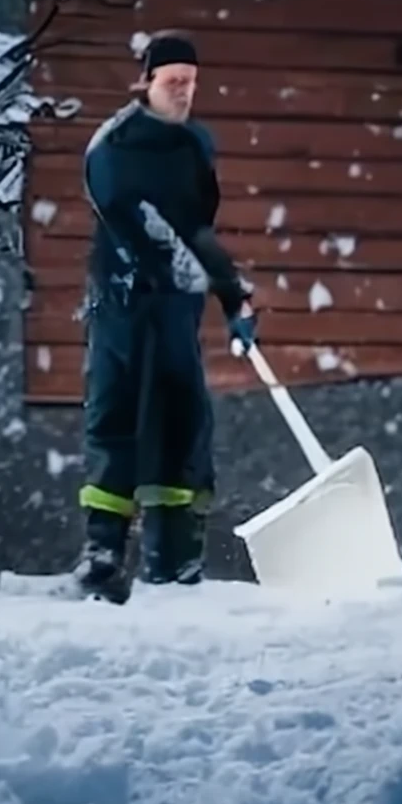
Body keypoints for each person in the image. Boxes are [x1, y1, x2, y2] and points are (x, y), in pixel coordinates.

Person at [73, 30, 257, 604]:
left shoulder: (194, 146)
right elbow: (131, 219)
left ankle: (175, 565)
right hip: (123, 304)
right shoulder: (112, 146)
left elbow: (197, 229)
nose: (183, 92)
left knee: (182, 426)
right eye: (173, 81)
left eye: (191, 83)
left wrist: (233, 297)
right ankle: (103, 560)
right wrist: (176, 260)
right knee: (117, 420)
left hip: (177, 310)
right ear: (147, 82)